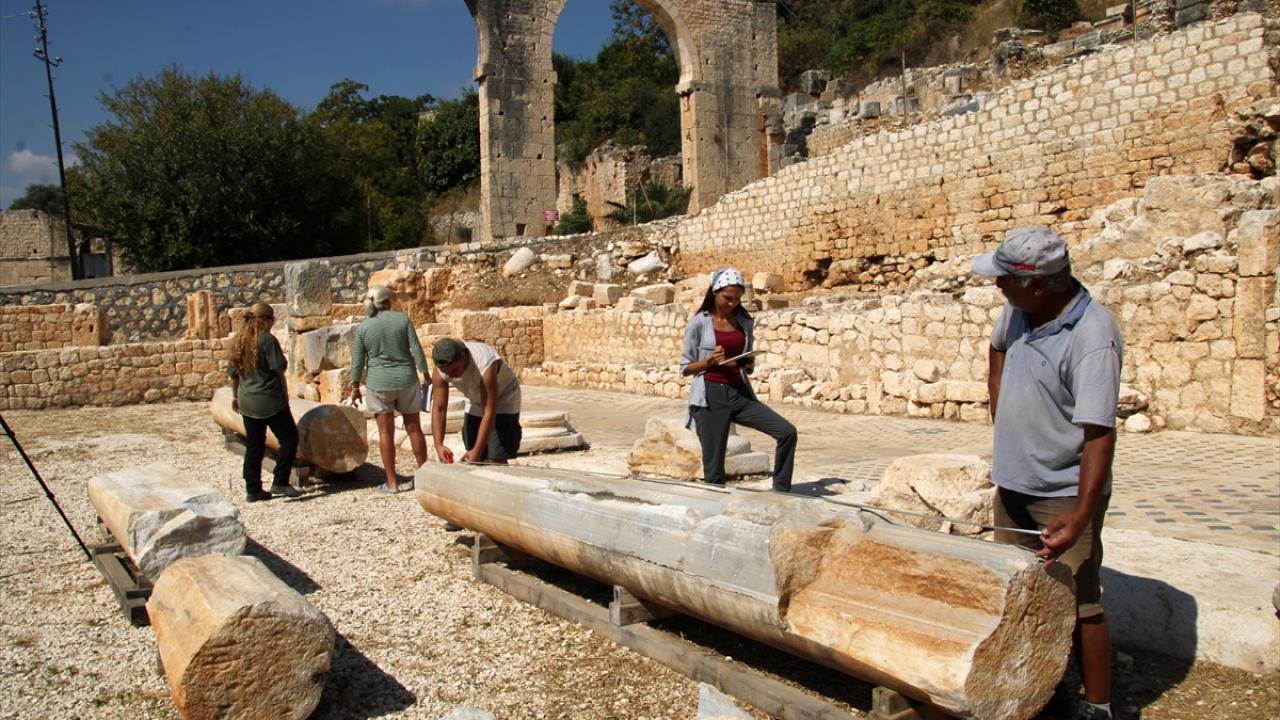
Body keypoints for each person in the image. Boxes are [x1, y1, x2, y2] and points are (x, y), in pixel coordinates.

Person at [973, 226, 1123, 720]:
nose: (997, 287)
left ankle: (1097, 705)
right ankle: (1040, 690)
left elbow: (1099, 431)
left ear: (1037, 284)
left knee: (1080, 603)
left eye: (1004, 280)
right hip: (1013, 483)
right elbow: (997, 347)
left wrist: (1081, 514)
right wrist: (1000, 400)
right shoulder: (1019, 309)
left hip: (1061, 495)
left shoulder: (1092, 336)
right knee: (1019, 594)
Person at [680, 268, 797, 492]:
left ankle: (781, 490)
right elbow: (685, 368)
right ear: (715, 293)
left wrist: (747, 363)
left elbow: (747, 362)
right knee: (714, 470)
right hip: (710, 395)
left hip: (739, 392)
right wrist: (708, 362)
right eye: (727, 298)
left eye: (737, 299)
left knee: (787, 432)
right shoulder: (698, 323)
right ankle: (713, 512)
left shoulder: (744, 321)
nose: (733, 303)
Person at [350, 285, 429, 494]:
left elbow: (358, 361)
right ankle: (424, 476)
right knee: (414, 428)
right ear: (388, 301)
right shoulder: (402, 319)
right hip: (406, 379)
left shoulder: (364, 327)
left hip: (379, 383)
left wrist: (354, 386)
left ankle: (392, 482)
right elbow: (416, 348)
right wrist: (426, 374)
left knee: (386, 432)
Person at [226, 302, 301, 502]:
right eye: (272, 318)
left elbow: (233, 375)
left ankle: (253, 489)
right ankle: (281, 480)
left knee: (254, 444)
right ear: (266, 320)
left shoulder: (237, 342)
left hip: (247, 401)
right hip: (270, 400)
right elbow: (279, 367)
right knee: (289, 438)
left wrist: (235, 397)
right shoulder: (267, 340)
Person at [429, 338, 522, 465]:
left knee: (496, 456)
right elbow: (439, 409)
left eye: (454, 371)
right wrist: (438, 445)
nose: (450, 377)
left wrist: (477, 451)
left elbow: (488, 411)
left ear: (463, 357)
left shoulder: (484, 363)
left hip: (504, 397)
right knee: (472, 452)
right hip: (474, 398)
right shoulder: (441, 370)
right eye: (447, 373)